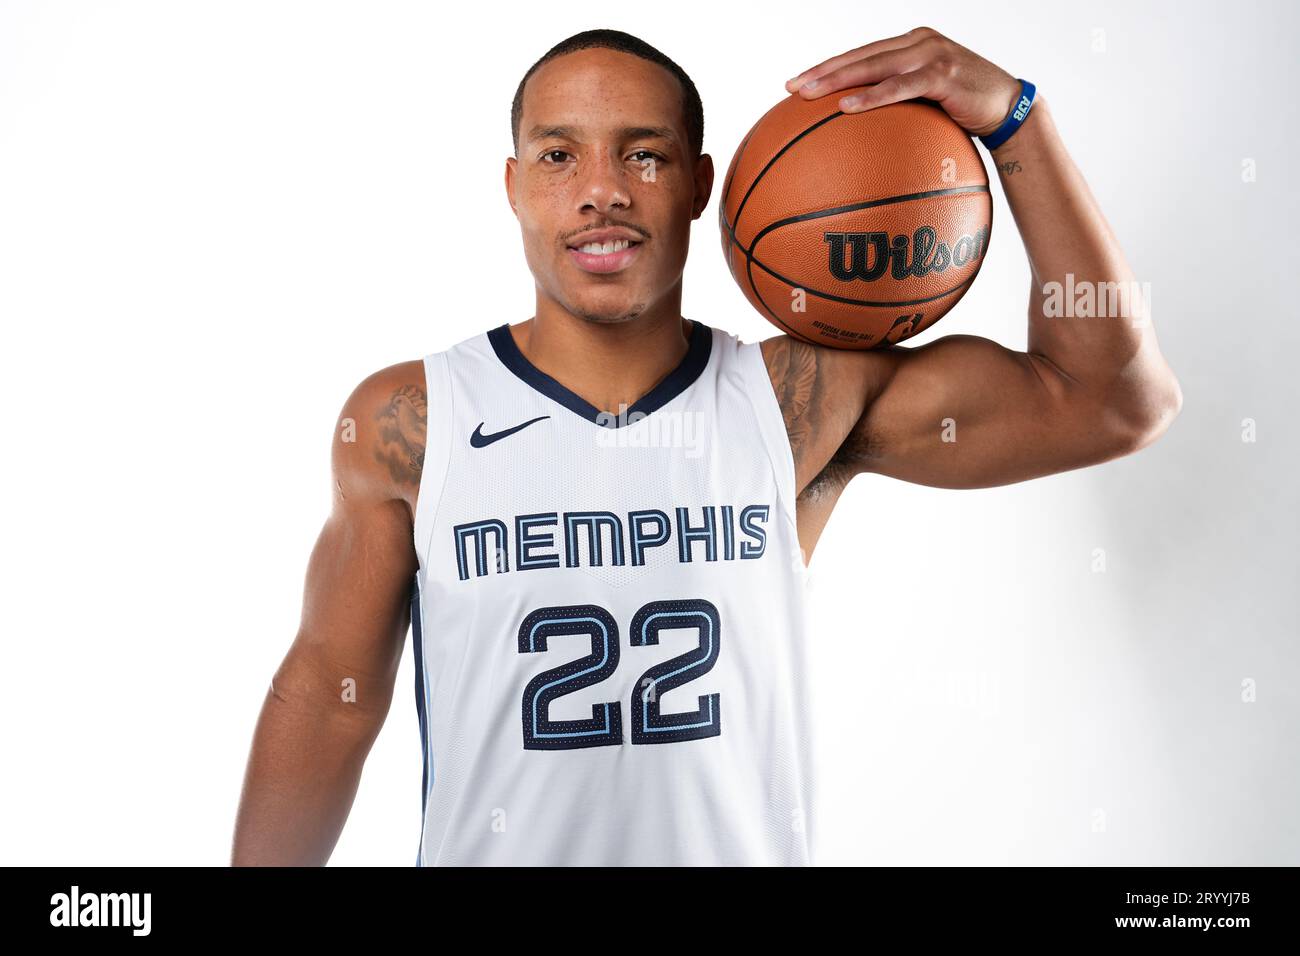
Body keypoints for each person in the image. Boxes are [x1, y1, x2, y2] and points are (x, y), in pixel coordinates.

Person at [232, 27, 1182, 866]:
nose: (601, 191)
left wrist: (1020, 122)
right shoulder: (415, 419)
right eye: (559, 155)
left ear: (700, 185)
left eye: (643, 156)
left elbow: (1111, 401)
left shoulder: (798, 401)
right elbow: (328, 697)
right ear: (514, 187)